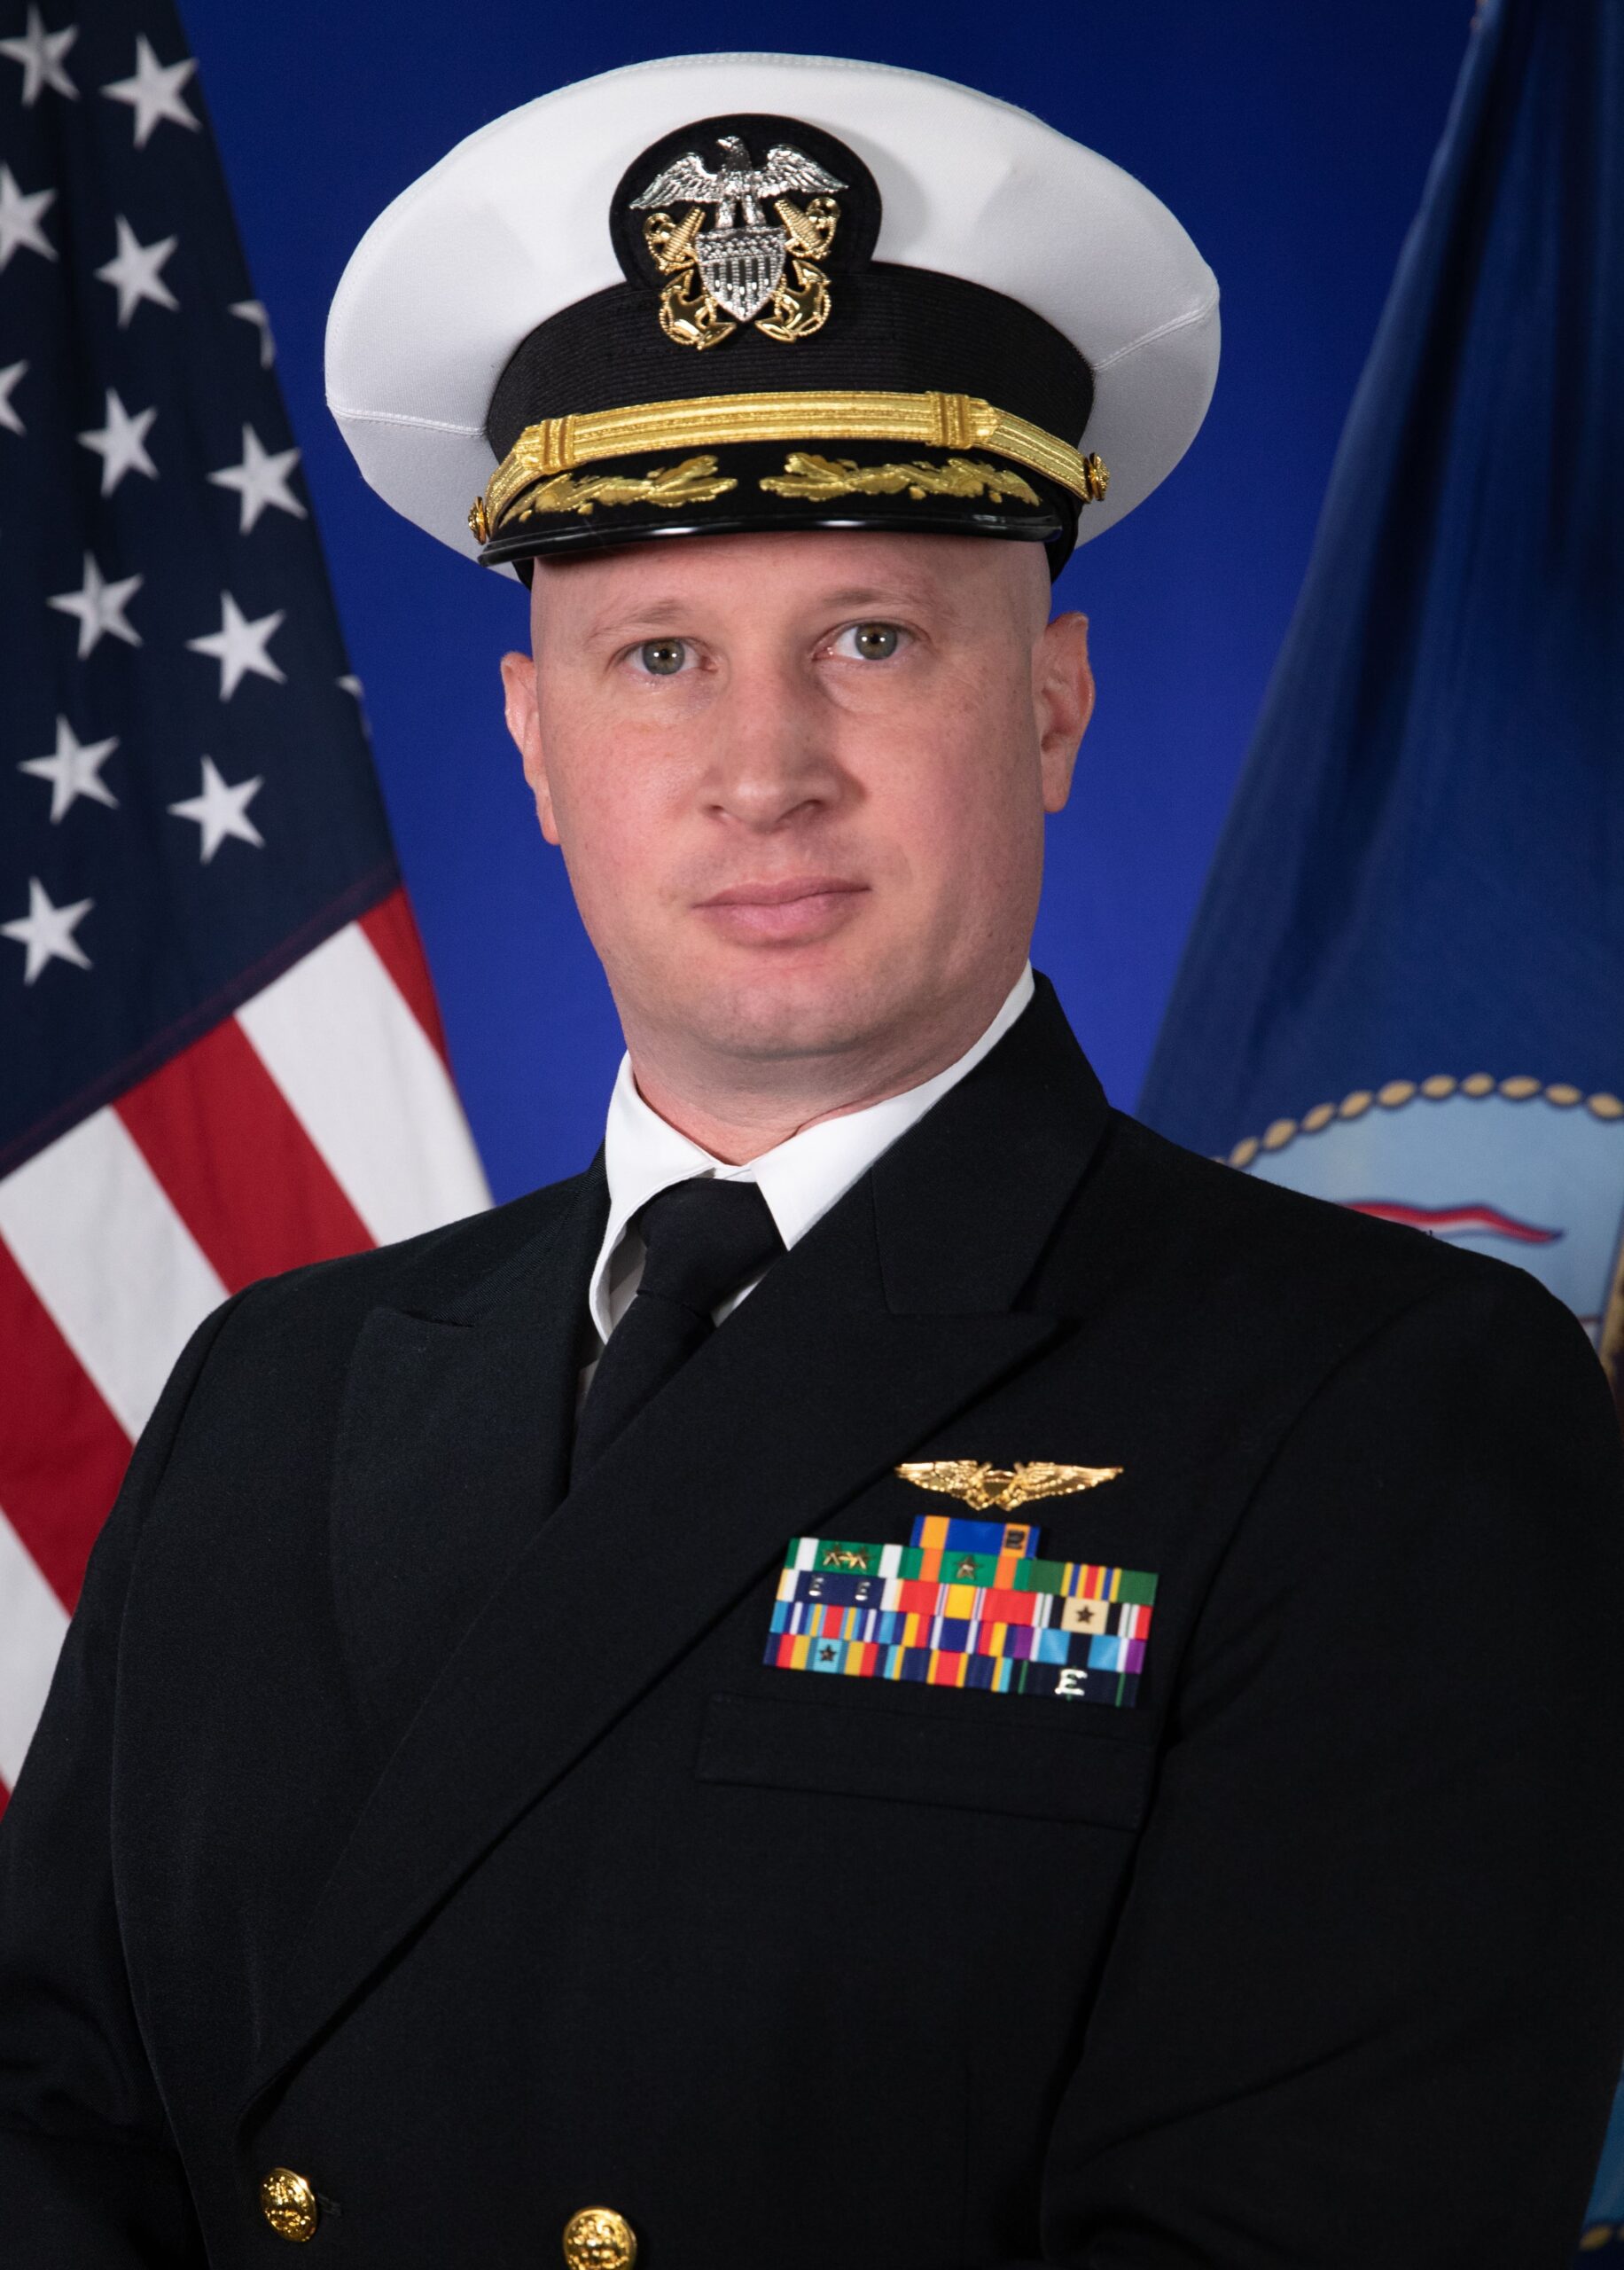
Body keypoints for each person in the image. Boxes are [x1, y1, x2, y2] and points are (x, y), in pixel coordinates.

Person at [3, 51, 1623, 2270]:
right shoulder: (270, 1385)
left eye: (868, 639)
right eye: (657, 656)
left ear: (1046, 706)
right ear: (534, 744)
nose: (760, 770)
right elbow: (48, 2115)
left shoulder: (1387, 1403)